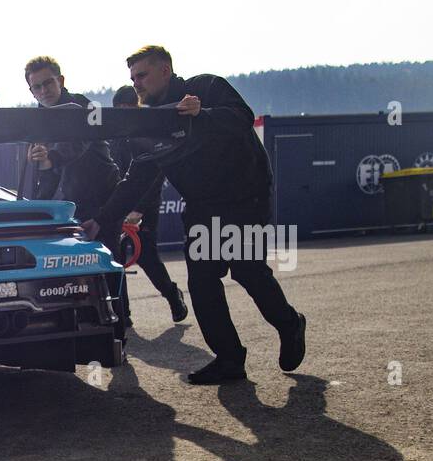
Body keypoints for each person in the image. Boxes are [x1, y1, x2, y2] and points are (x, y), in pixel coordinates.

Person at [84, 46, 305, 385]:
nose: (137, 84)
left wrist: (202, 114)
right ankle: (230, 359)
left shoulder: (206, 88)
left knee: (248, 272)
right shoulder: (149, 124)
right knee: (202, 281)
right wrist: (102, 219)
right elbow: (137, 179)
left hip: (245, 197)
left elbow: (242, 116)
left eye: (142, 75)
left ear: (165, 71)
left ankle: (290, 324)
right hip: (202, 206)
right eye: (132, 78)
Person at [23, 56, 124, 344]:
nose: (43, 90)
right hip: (72, 204)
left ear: (61, 81)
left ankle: (118, 335)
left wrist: (49, 159)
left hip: (104, 200)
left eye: (48, 83)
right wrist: (36, 206)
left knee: (109, 266)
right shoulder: (39, 121)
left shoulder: (84, 108)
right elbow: (48, 172)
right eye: (37, 87)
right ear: (31, 92)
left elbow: (75, 146)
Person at [109, 85, 188, 325]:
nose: (124, 114)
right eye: (119, 110)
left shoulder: (148, 132)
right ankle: (124, 316)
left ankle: (173, 296)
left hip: (146, 206)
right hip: (121, 202)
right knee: (116, 259)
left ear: (137, 107)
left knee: (147, 257)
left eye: (128, 109)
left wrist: (139, 210)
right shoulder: (115, 136)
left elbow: (155, 177)